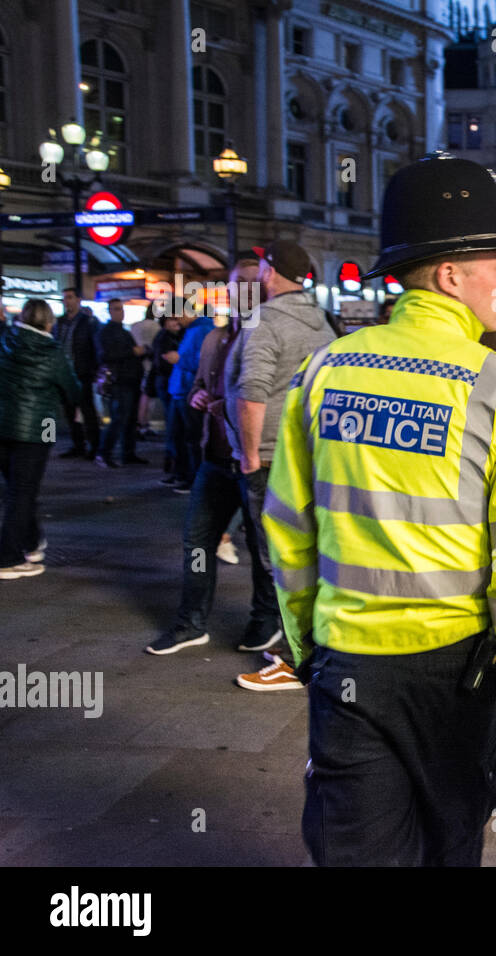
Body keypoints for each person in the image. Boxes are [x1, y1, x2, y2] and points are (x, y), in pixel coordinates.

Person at [264, 155, 496, 866]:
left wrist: (310, 644)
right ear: (448, 275)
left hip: (348, 668)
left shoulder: (327, 370)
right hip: (454, 684)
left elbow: (287, 527)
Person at [145, 257, 270, 658]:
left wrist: (230, 408)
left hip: (261, 460)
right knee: (198, 541)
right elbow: (199, 384)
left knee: (263, 548)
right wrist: (200, 397)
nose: (240, 293)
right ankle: (191, 622)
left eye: (250, 284)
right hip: (215, 457)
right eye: (235, 285)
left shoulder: (268, 335)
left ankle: (265, 622)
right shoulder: (215, 338)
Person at [223, 240, 335, 665]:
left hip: (268, 454)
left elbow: (252, 392)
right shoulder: (320, 320)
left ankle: (300, 656)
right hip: (309, 450)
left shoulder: (263, 320)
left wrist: (249, 455)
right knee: (306, 550)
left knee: (275, 558)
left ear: (269, 272)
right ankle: (305, 642)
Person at [0, 300, 81, 579]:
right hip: (37, 429)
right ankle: (8, 558)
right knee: (22, 492)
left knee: (18, 489)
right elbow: (73, 390)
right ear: (49, 322)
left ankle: (31, 542)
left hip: (2, 425)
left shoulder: (5, 341)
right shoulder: (52, 351)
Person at [166, 300, 216, 492]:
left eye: (177, 315)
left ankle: (194, 479)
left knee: (191, 438)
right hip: (179, 391)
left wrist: (179, 360)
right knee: (178, 437)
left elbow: (203, 363)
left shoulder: (202, 329)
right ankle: (183, 475)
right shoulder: (193, 330)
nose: (176, 320)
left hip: (188, 392)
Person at [94, 298, 148, 468]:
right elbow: (105, 355)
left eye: (121, 309)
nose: (120, 312)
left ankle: (127, 453)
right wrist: (132, 352)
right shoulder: (106, 332)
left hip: (130, 379)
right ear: (110, 311)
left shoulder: (122, 332)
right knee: (119, 418)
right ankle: (104, 453)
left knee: (129, 419)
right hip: (120, 380)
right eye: (117, 309)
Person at [53, 288, 101, 461]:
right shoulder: (60, 322)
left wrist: (94, 369)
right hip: (64, 372)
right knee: (69, 410)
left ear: (78, 300)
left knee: (87, 410)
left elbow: (96, 347)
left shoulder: (88, 322)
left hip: (82, 372)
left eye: (70, 297)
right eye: (64, 298)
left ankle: (94, 446)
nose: (66, 301)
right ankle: (78, 445)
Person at [151, 311, 183, 480]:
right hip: (169, 385)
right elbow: (161, 364)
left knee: (176, 428)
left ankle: (174, 467)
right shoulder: (163, 338)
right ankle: (173, 467)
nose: (176, 322)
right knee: (173, 427)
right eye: (172, 319)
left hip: (173, 385)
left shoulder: (179, 335)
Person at [131, 304, 161, 440]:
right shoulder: (157, 328)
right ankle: (143, 424)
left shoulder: (135, 326)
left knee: (139, 396)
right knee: (147, 397)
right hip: (150, 364)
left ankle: (138, 425)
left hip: (136, 364)